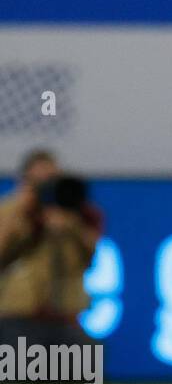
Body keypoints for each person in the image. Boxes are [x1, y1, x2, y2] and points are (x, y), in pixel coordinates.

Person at [0, 149, 103, 348]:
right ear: (25, 182)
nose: (44, 189)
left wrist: (71, 225)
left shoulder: (79, 213)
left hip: (65, 315)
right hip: (18, 314)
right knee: (20, 372)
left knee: (86, 370)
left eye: (51, 181)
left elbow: (91, 258)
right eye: (38, 182)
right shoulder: (10, 211)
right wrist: (21, 211)